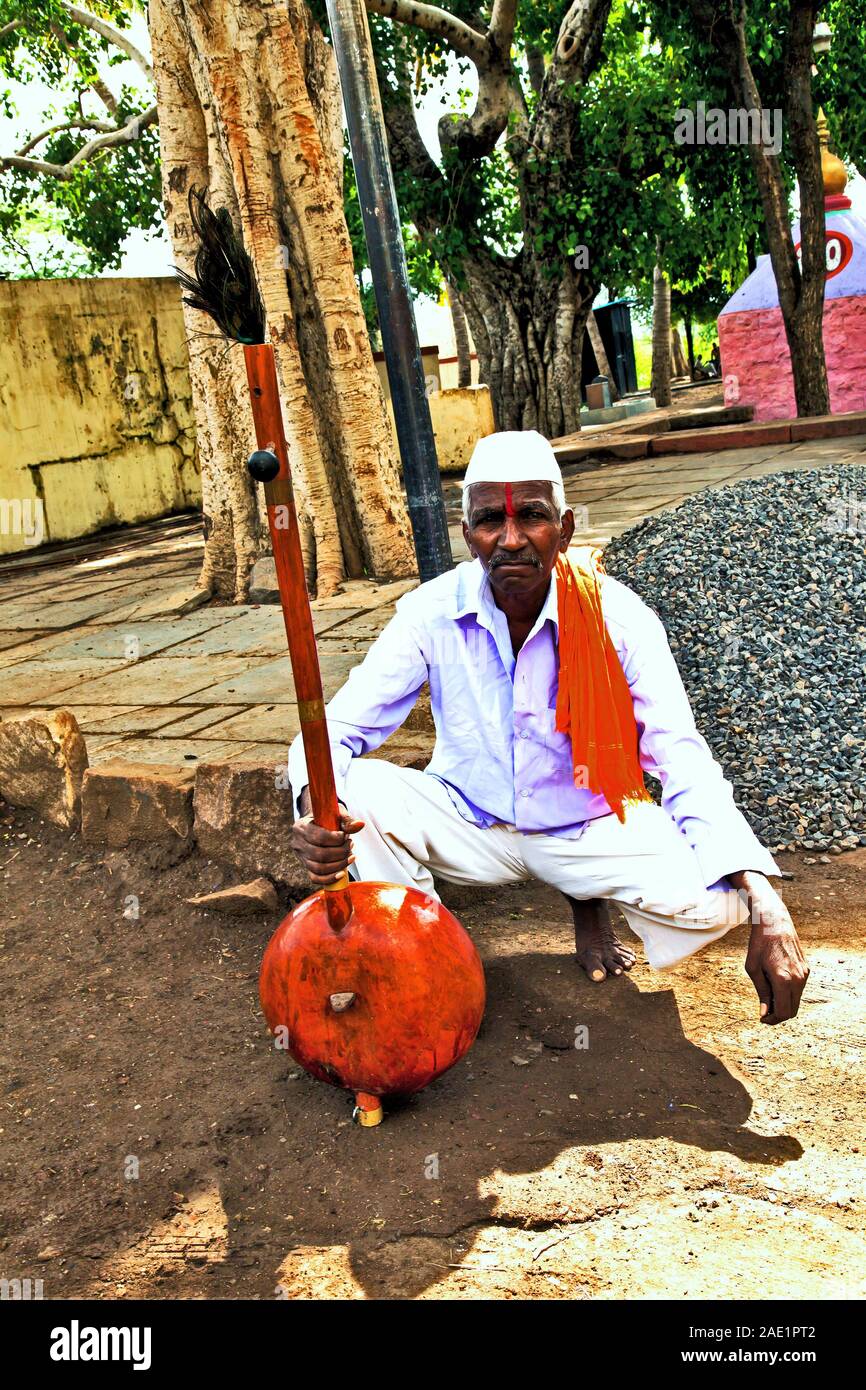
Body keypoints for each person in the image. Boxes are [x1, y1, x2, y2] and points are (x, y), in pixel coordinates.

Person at [288, 431, 808, 1023]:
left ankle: (586, 900)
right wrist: (316, 809)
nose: (510, 539)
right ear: (468, 535)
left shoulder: (619, 617)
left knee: (722, 902)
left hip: (586, 829)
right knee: (352, 788)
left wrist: (768, 904)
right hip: (470, 819)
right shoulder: (430, 613)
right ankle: (425, 957)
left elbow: (681, 756)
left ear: (564, 529)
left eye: (531, 517)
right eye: (491, 520)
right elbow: (335, 728)